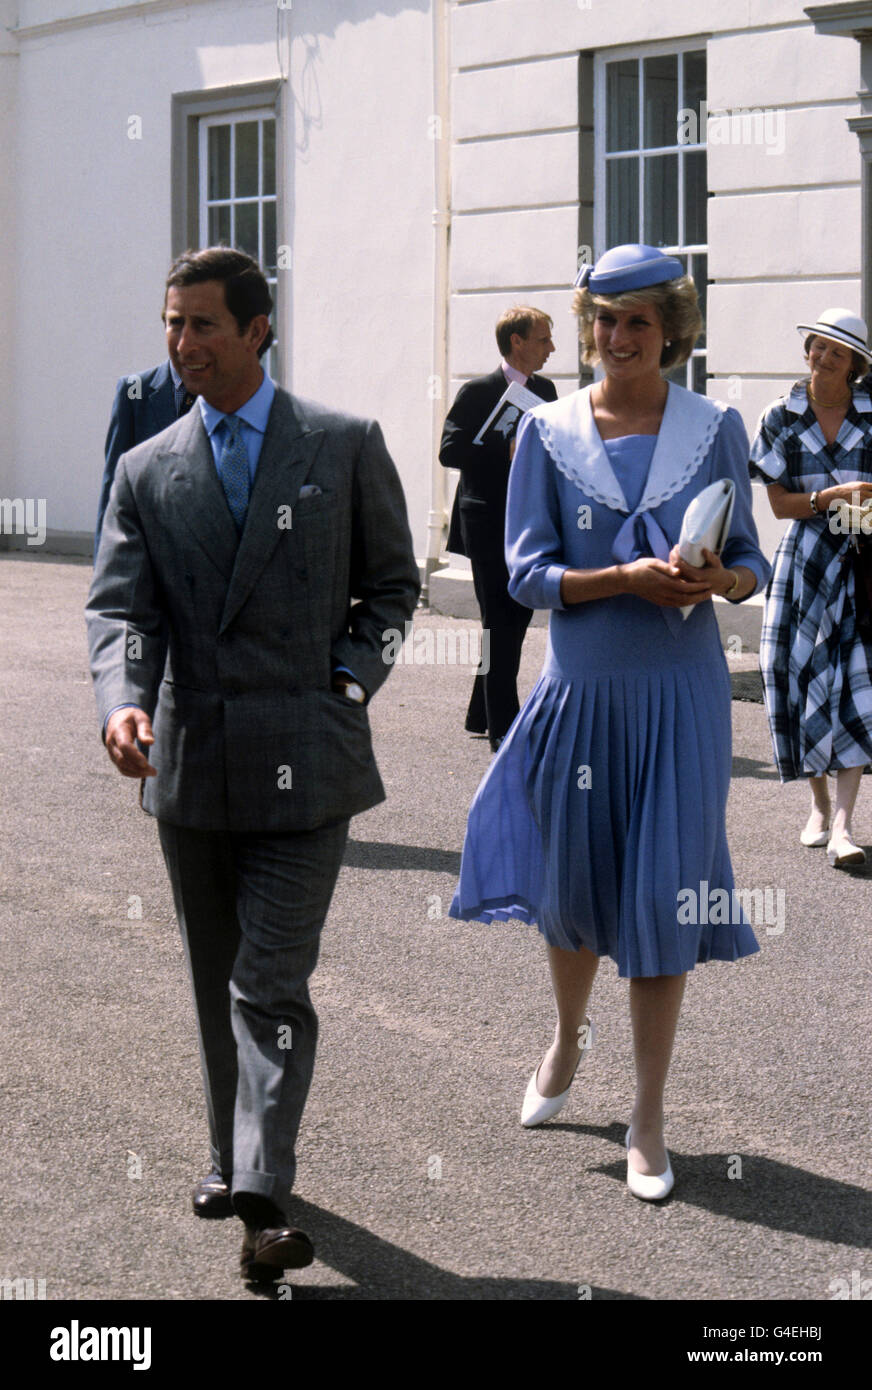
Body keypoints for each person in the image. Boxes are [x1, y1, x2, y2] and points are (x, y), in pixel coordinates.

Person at [86, 247, 419, 1278]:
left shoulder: (342, 443)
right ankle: (233, 1153)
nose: (181, 345)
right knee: (213, 978)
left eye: (202, 326)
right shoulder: (148, 469)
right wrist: (125, 701)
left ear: (257, 330)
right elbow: (119, 610)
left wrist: (350, 682)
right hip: (190, 767)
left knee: (269, 979)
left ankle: (261, 1201)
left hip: (307, 765)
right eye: (170, 325)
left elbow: (393, 591)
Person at [450, 244, 769, 1201]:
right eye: (602, 320)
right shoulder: (544, 432)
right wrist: (624, 578)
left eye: (637, 321)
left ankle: (649, 1114)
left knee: (669, 896)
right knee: (575, 888)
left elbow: (751, 559)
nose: (617, 338)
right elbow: (524, 574)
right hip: (581, 694)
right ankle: (563, 1037)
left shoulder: (716, 426)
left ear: (672, 328)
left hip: (682, 699)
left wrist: (723, 579)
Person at [749, 308, 872, 868]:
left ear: (856, 367)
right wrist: (831, 498)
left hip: (860, 562)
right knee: (797, 680)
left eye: (836, 353)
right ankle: (819, 806)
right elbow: (778, 505)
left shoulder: (871, 417)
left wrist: (858, 511)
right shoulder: (781, 415)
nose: (822, 357)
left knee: (856, 688)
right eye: (818, 346)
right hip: (802, 564)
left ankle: (845, 828)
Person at [439, 307, 557, 750]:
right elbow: (449, 452)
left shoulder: (545, 390)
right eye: (543, 340)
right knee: (498, 623)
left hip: (527, 520)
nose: (551, 348)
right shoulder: (478, 391)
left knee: (516, 617)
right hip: (485, 520)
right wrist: (503, 446)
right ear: (517, 343)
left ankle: (481, 711)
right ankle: (504, 729)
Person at [95, 362, 196, 552]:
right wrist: (103, 554)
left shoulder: (217, 390)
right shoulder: (135, 388)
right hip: (147, 543)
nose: (186, 339)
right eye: (177, 329)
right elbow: (113, 478)